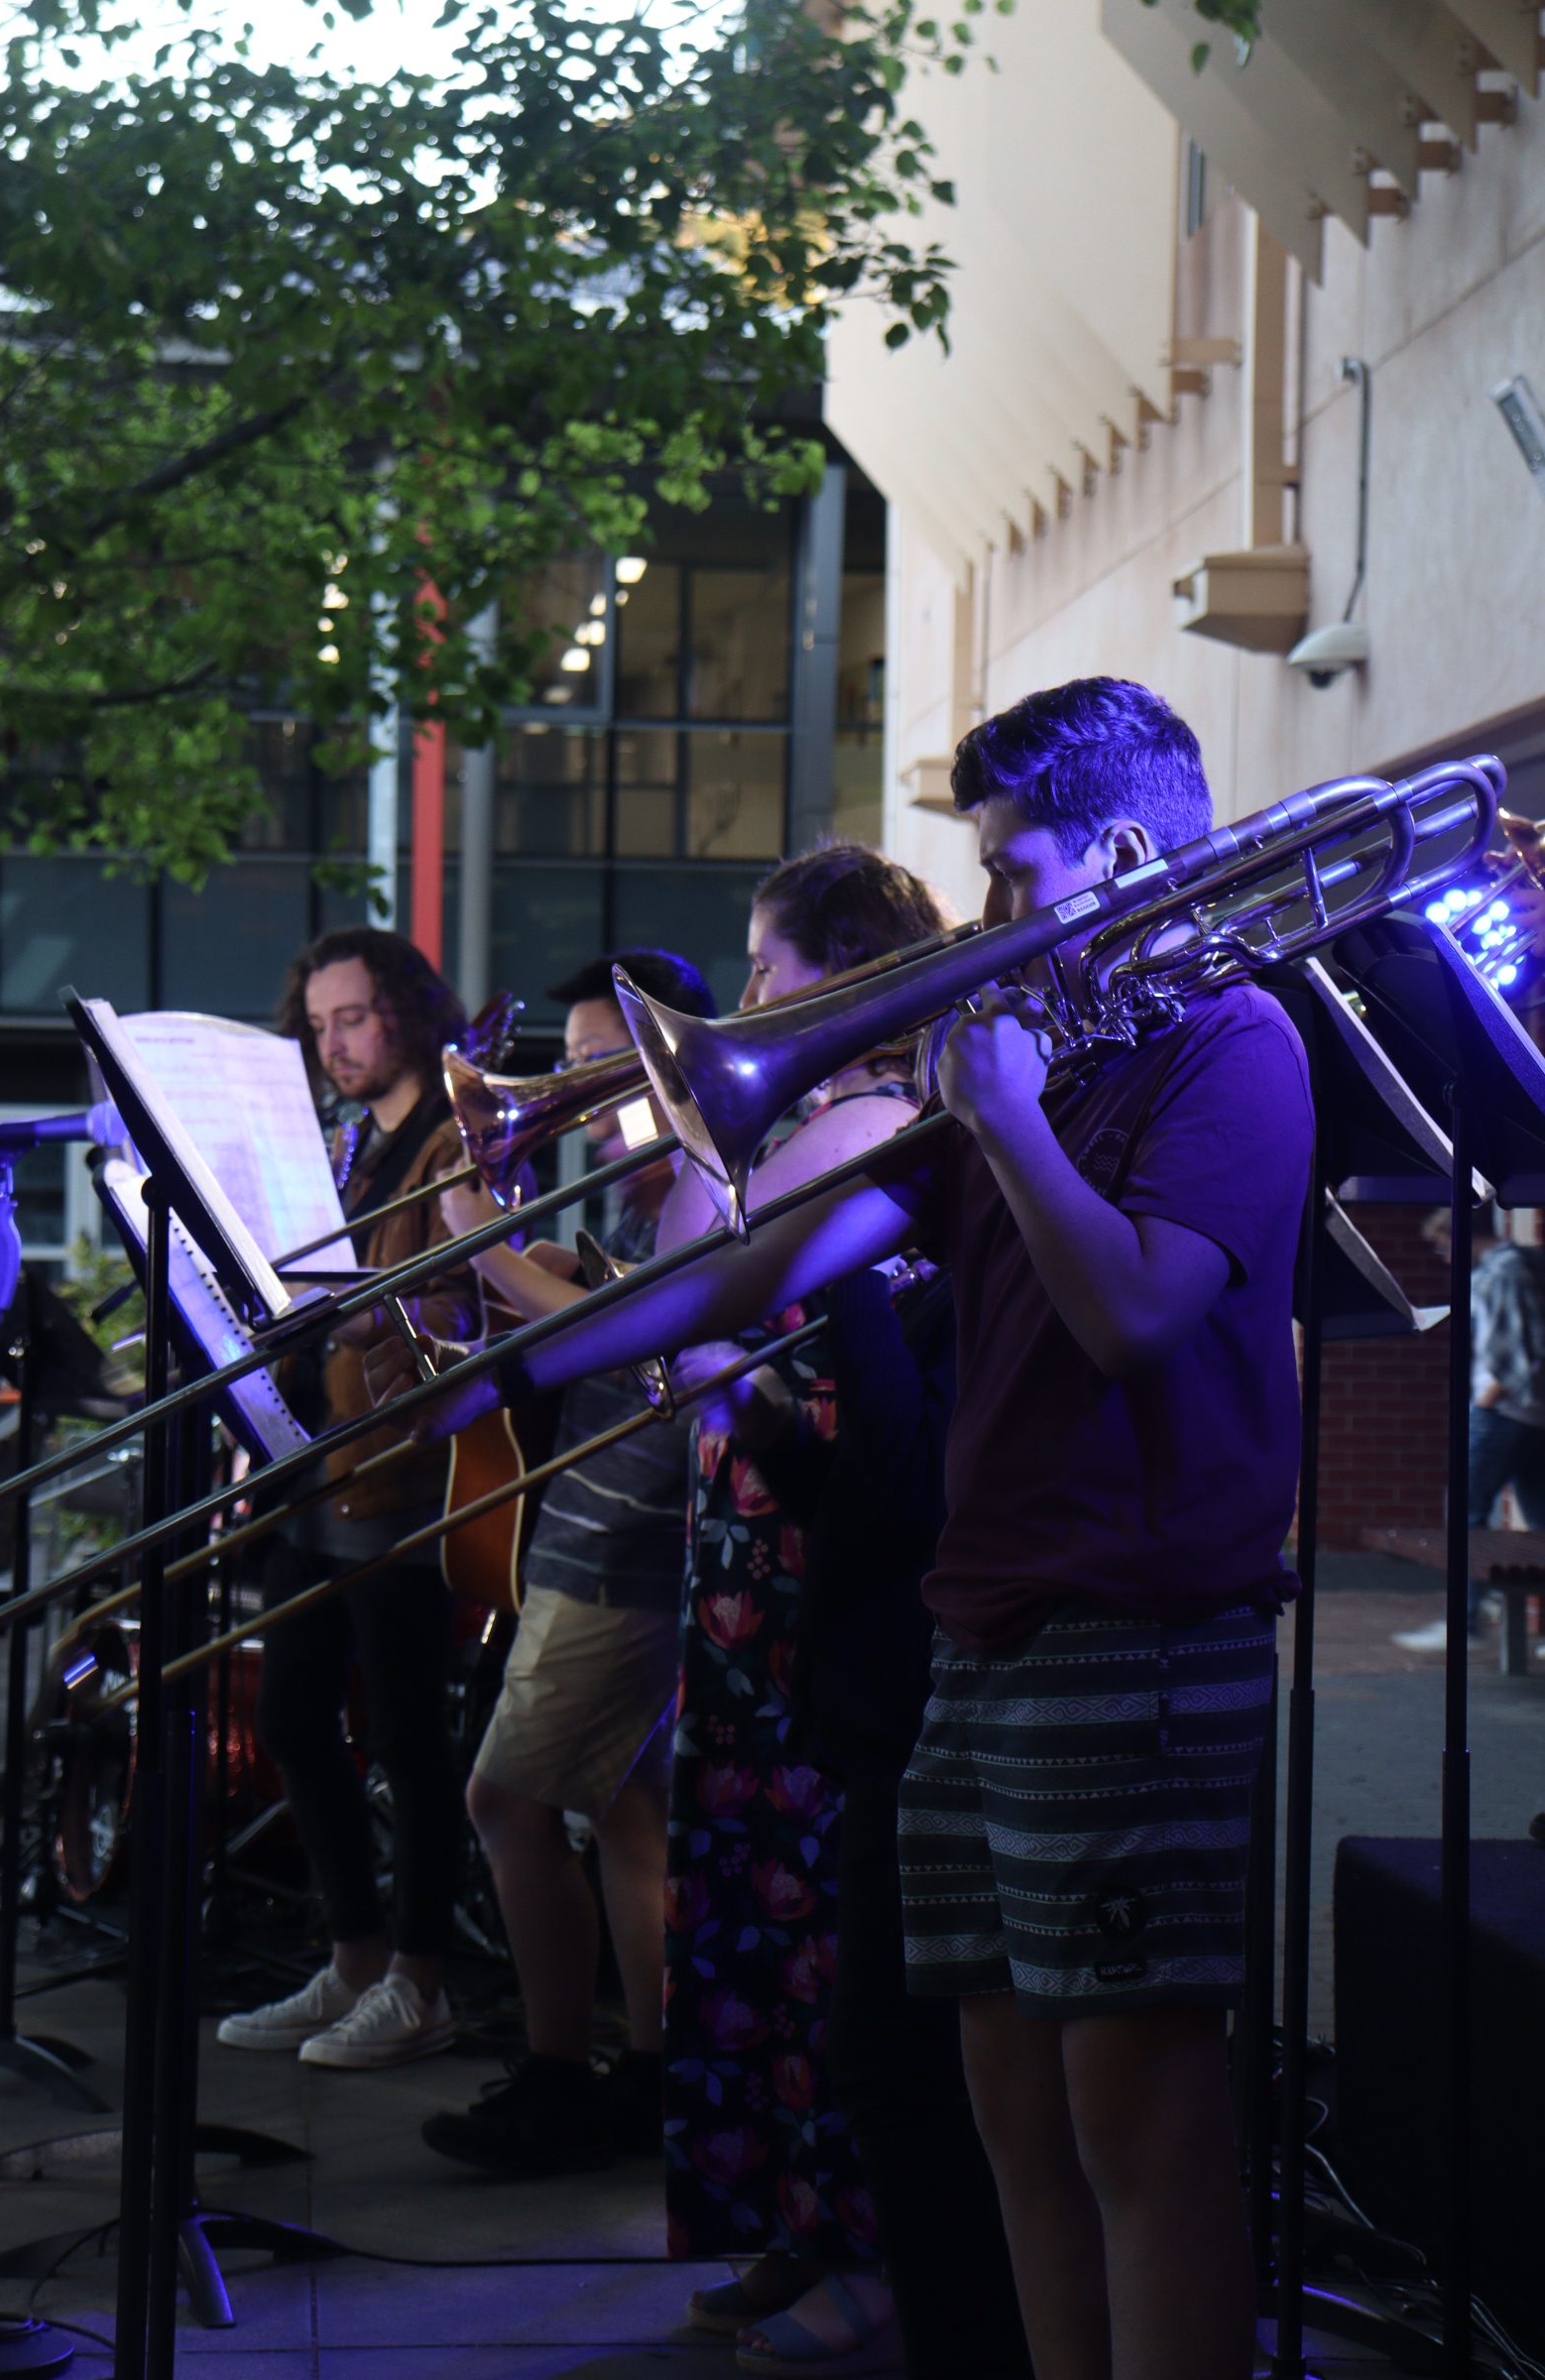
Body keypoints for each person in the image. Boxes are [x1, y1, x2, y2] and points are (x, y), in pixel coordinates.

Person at [406, 677, 1316, 2380]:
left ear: (1127, 857)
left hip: (1136, 1624)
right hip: (983, 1628)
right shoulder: (1027, 1062)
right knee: (1013, 2116)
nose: (983, 914)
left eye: (1012, 872)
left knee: (1137, 2121)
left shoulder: (1232, 1042)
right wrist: (498, 1357)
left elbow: (1133, 1314)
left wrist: (1009, 1114)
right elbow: (743, 1275)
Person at [642, 847, 948, 2373]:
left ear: (846, 971)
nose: (748, 988)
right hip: (753, 1550)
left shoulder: (881, 1118)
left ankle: (870, 2242)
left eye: (768, 962)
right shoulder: (802, 1120)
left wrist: (701, 1140)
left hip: (826, 1557)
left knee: (823, 1917)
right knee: (751, 1912)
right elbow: (679, 1285)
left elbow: (705, 1285)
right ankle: (793, 2220)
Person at [411, 947, 718, 2176]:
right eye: (572, 1062)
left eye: (603, 1062)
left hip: (620, 1552)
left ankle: (557, 2077)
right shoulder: (642, 1194)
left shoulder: (696, 1179)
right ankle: (646, 2075)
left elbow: (641, 1336)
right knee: (632, 1815)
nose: (575, 1089)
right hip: (598, 1536)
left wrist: (486, 1241)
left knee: (504, 1803)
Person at [695, 1250, 1029, 2380]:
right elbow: (864, 1503)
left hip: (929, 1713)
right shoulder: (950, 1274)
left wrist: (852, 1281)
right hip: (884, 1712)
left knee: (903, 2072)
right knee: (895, 2066)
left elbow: (912, 1487)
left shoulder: (982, 1273)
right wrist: (764, 1426)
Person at [216, 926, 481, 2069]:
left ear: (406, 1014)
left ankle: (422, 1981)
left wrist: (381, 1311)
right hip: (320, 1464)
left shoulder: (457, 1134)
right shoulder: (350, 1144)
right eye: (319, 1024)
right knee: (290, 1717)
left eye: (354, 1018)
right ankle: (356, 1958)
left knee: (411, 1738)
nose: (333, 1044)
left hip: (402, 1471)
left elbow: (472, 1303)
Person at [1392, 1206, 1545, 1654]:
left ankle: (1464, 1621)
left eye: (1444, 1246)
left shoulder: (1502, 1273)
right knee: (1539, 1521)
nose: (1444, 1258)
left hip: (1504, 1414)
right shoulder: (1510, 1268)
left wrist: (1487, 1400)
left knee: (1463, 1513)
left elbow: (1523, 1350)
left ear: (1460, 1235)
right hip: (1527, 1414)